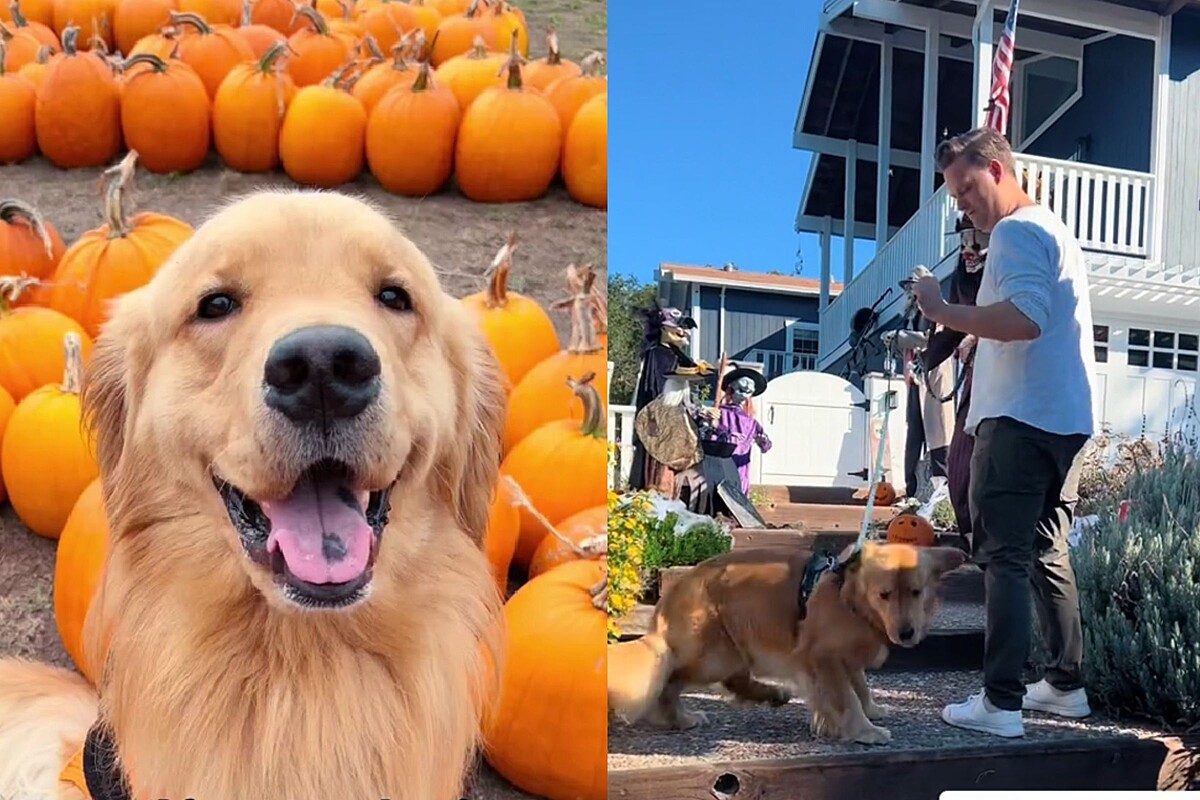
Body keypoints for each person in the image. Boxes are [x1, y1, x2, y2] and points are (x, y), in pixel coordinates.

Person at [911, 126, 1097, 739]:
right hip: (1063, 418)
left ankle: (1000, 703)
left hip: (1020, 419)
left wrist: (940, 310)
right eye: (954, 194)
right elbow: (1028, 319)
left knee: (1004, 558)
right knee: (1046, 549)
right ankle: (1065, 687)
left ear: (996, 170)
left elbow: (1023, 320)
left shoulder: (1017, 231)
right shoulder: (1051, 228)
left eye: (966, 187)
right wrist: (965, 337)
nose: (961, 202)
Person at [922, 213, 989, 551]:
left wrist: (975, 336)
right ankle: (969, 535)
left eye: (974, 239)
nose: (968, 249)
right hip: (974, 382)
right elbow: (953, 325)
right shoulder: (962, 277)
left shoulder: (1007, 268)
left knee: (987, 463)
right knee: (959, 461)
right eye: (962, 241)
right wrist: (927, 353)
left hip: (1004, 382)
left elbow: (1001, 319)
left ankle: (985, 541)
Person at [715, 366, 772, 496]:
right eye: (741, 390)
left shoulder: (751, 422)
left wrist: (762, 441)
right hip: (722, 466)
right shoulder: (721, 413)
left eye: (748, 392)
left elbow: (766, 446)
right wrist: (726, 436)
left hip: (741, 470)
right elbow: (711, 436)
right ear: (732, 389)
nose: (744, 395)